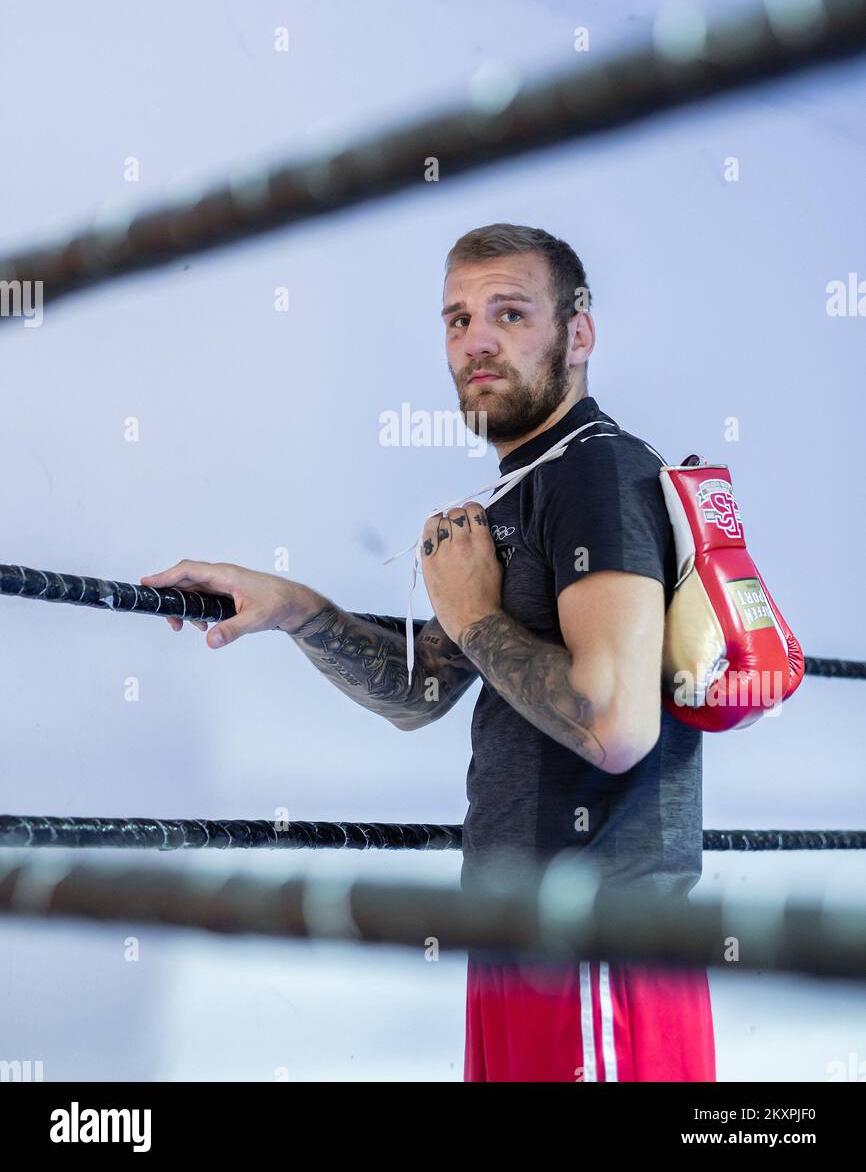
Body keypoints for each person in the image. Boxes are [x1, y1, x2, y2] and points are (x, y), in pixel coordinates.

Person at [141, 222, 715, 1083]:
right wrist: (295, 608)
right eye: (456, 320)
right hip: (514, 937)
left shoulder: (598, 474)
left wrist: (476, 614)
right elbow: (422, 694)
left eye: (510, 313)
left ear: (579, 333)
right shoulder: (525, 489)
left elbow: (617, 724)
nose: (476, 340)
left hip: (599, 943)